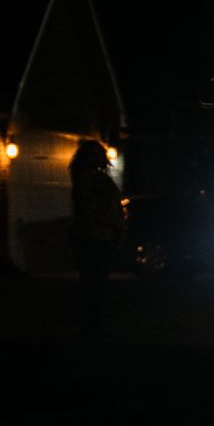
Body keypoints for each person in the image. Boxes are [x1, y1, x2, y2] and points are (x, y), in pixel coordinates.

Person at [68, 139, 125, 338]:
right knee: (94, 284)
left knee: (93, 284)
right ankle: (90, 326)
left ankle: (90, 324)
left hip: (95, 236)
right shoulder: (91, 179)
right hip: (94, 237)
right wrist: (115, 224)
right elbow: (94, 209)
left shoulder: (87, 178)